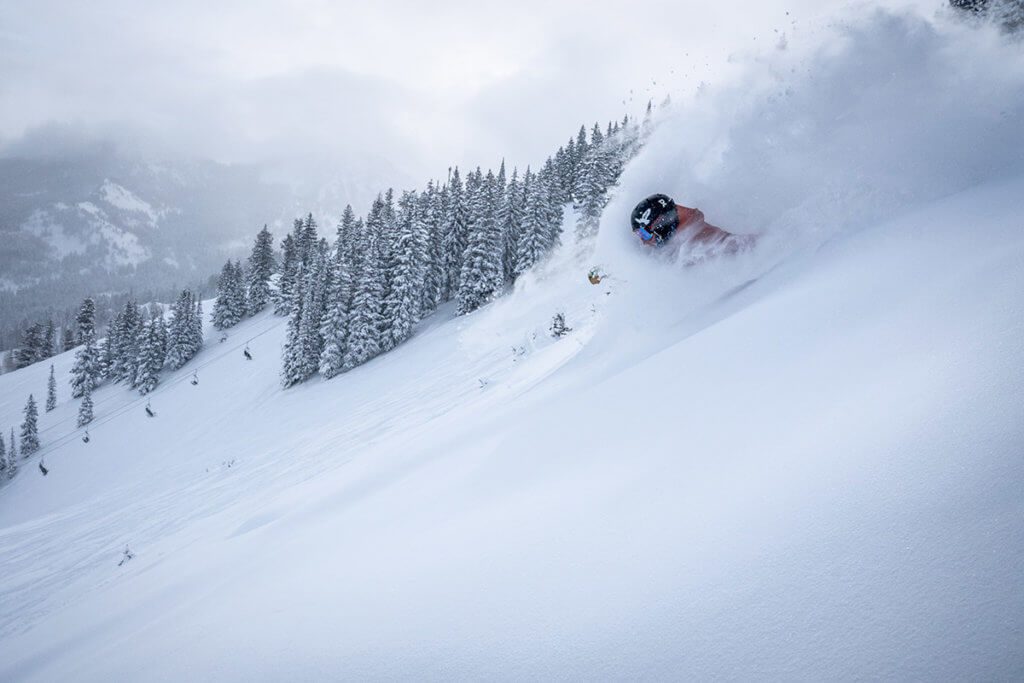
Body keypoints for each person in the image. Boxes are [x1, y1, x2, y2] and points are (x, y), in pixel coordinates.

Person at [630, 193, 754, 255]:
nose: (643, 242)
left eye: (644, 234)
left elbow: (746, 245)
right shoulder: (683, 236)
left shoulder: (697, 241)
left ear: (662, 225)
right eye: (639, 234)